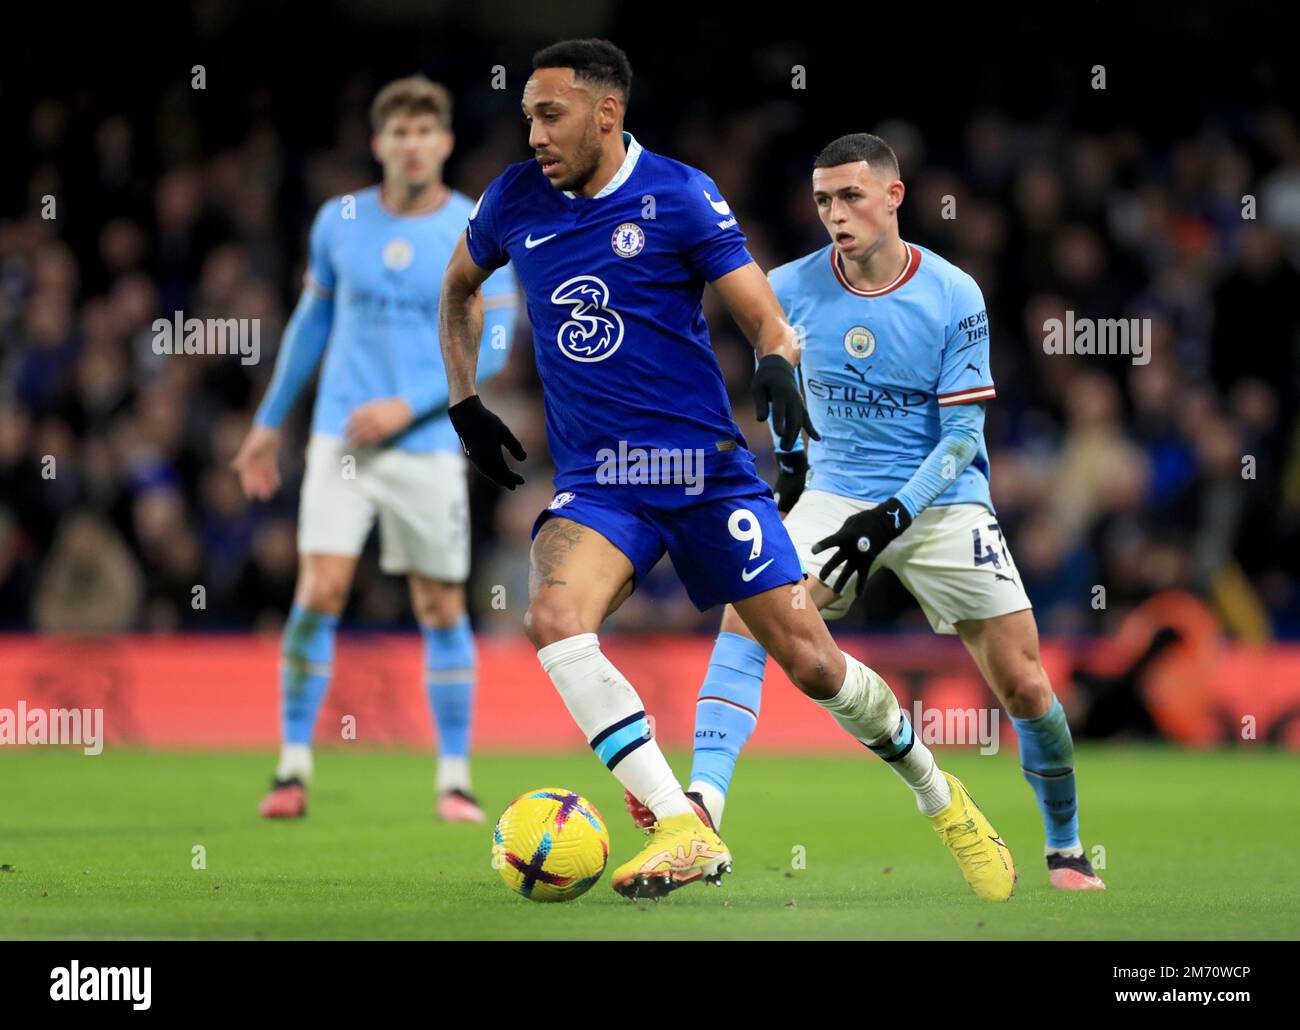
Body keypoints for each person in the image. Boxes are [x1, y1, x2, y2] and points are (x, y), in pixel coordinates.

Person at [439, 41, 1014, 901]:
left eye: (550, 113)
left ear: (607, 112)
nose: (533, 133)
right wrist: (463, 400)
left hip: (706, 474)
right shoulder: (513, 199)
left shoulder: (677, 194)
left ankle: (943, 797)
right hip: (604, 482)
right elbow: (457, 287)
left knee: (813, 664)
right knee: (555, 618)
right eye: (527, 114)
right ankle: (682, 827)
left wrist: (777, 362)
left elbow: (763, 316)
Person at [631, 133, 1104, 890]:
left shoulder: (953, 293)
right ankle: (704, 805)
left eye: (851, 196)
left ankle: (1066, 846)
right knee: (749, 612)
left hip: (940, 499)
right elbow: (780, 394)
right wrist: (788, 471)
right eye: (822, 200)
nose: (835, 215)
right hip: (832, 493)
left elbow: (962, 437)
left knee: (1026, 686)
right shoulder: (785, 285)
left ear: (894, 196)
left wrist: (893, 515)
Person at [232, 76, 518, 823]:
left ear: (445, 142)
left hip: (425, 443)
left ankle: (454, 779)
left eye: (427, 131)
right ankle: (292, 767)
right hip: (339, 439)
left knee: (438, 604)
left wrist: (410, 403)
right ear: (378, 142)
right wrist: (268, 421)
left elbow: (493, 347)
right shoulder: (340, 221)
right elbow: (309, 324)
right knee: (319, 592)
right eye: (400, 132)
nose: (413, 144)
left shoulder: (476, 227)